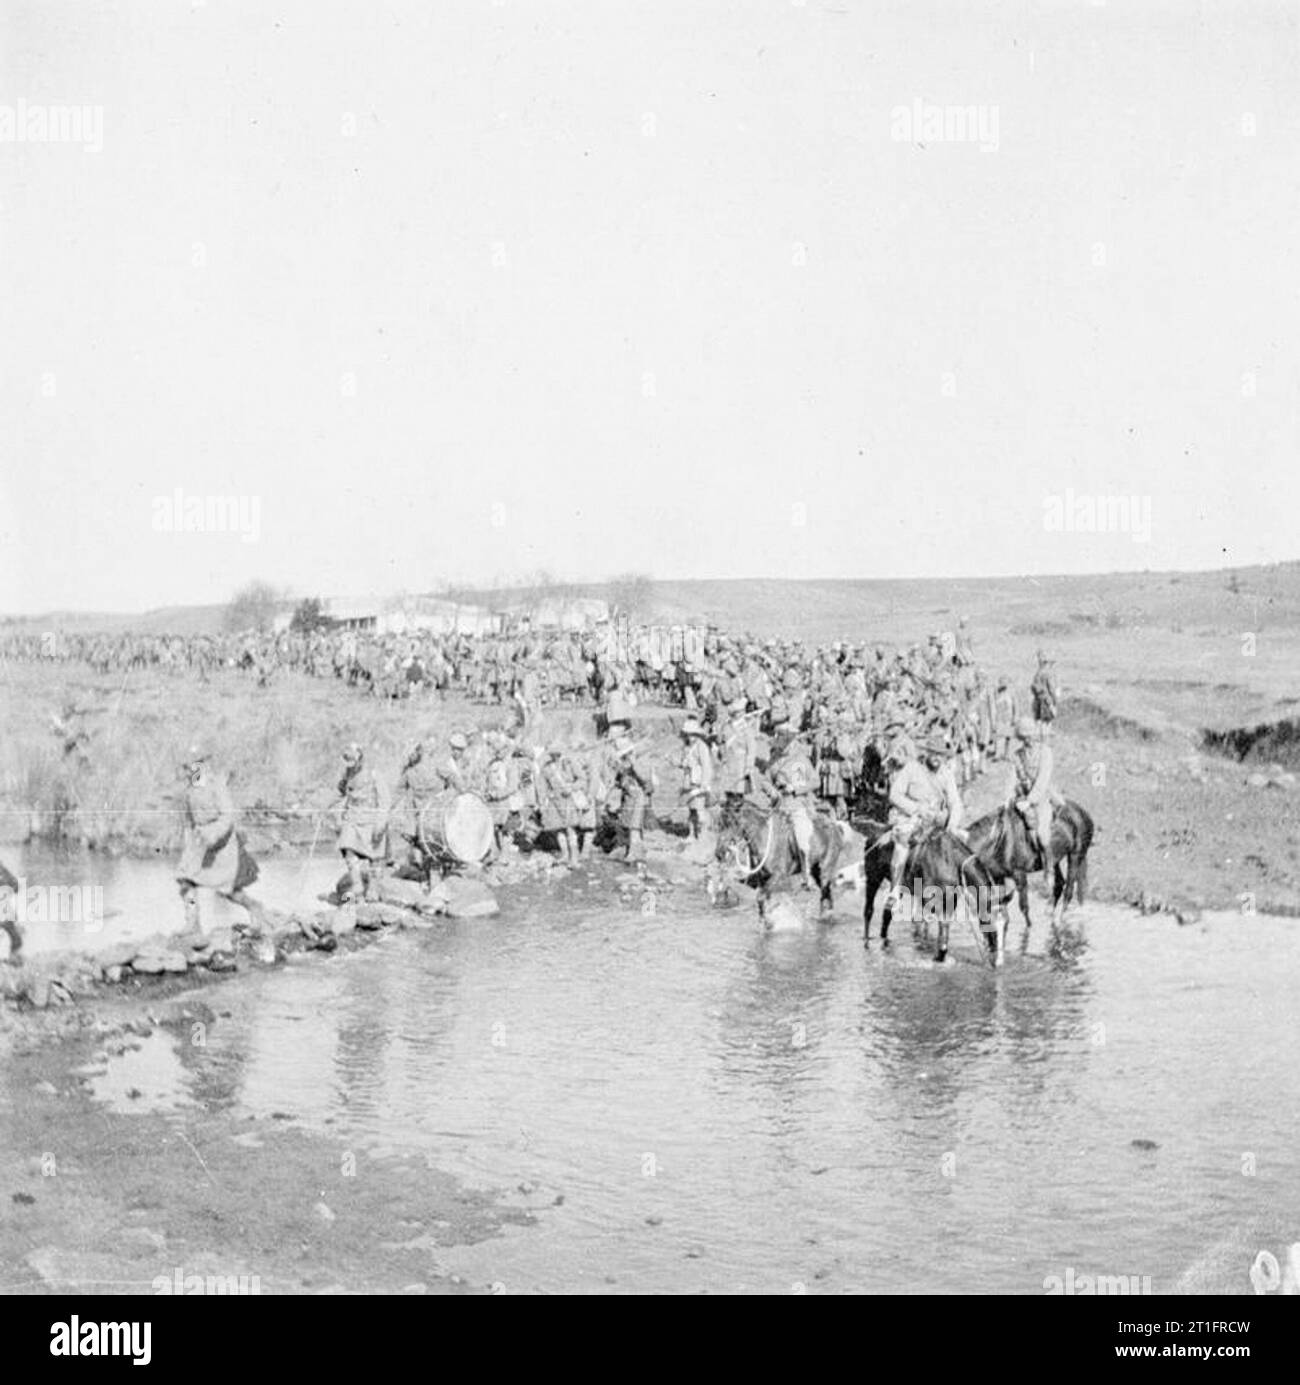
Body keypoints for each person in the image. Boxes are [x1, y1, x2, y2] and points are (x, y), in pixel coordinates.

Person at [175, 746, 263, 938]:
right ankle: (192, 922)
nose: (191, 768)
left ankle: (255, 908)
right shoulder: (189, 790)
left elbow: (227, 816)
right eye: (189, 765)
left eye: (196, 763)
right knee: (185, 880)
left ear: (204, 764)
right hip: (199, 842)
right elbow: (188, 821)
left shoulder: (216, 785)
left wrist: (214, 834)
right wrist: (188, 842)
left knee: (228, 891)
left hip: (221, 843)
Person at [885, 736, 944, 903]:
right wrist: (916, 809)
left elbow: (954, 800)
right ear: (926, 753)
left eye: (940, 754)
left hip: (935, 819)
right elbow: (894, 795)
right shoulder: (911, 769)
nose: (936, 757)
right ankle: (895, 890)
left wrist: (950, 819)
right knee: (902, 844)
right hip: (909, 817)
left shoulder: (945, 772)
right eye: (933, 753)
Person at [1008, 715, 1065, 885]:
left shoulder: (1045, 752)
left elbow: (1043, 780)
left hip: (1042, 799)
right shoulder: (1017, 755)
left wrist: (1030, 800)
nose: (1029, 740)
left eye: (1031, 735)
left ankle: (1049, 869)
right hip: (1022, 798)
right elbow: (1012, 778)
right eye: (1025, 737)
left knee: (1041, 834)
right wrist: (1009, 797)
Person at [335, 743, 387, 903]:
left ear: (360, 759)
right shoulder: (346, 774)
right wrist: (331, 809)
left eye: (353, 760)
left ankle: (373, 887)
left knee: (375, 857)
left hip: (371, 820)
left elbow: (384, 801)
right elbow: (340, 794)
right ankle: (357, 887)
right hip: (352, 818)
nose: (351, 764)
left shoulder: (374, 774)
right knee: (347, 846)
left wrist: (381, 822)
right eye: (347, 760)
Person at [678, 718, 715, 841]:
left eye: (693, 734)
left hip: (698, 782)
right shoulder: (687, 747)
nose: (690, 737)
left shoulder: (702, 746)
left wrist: (705, 783)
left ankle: (703, 835)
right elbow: (683, 761)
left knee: (700, 810)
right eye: (688, 734)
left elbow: (706, 766)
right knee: (691, 810)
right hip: (688, 781)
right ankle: (691, 833)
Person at [1030, 650, 1059, 734]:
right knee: (1046, 725)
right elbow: (1051, 690)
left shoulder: (1037, 674)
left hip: (1038, 701)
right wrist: (1054, 702)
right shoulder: (1046, 674)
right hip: (1046, 702)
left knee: (1039, 725)